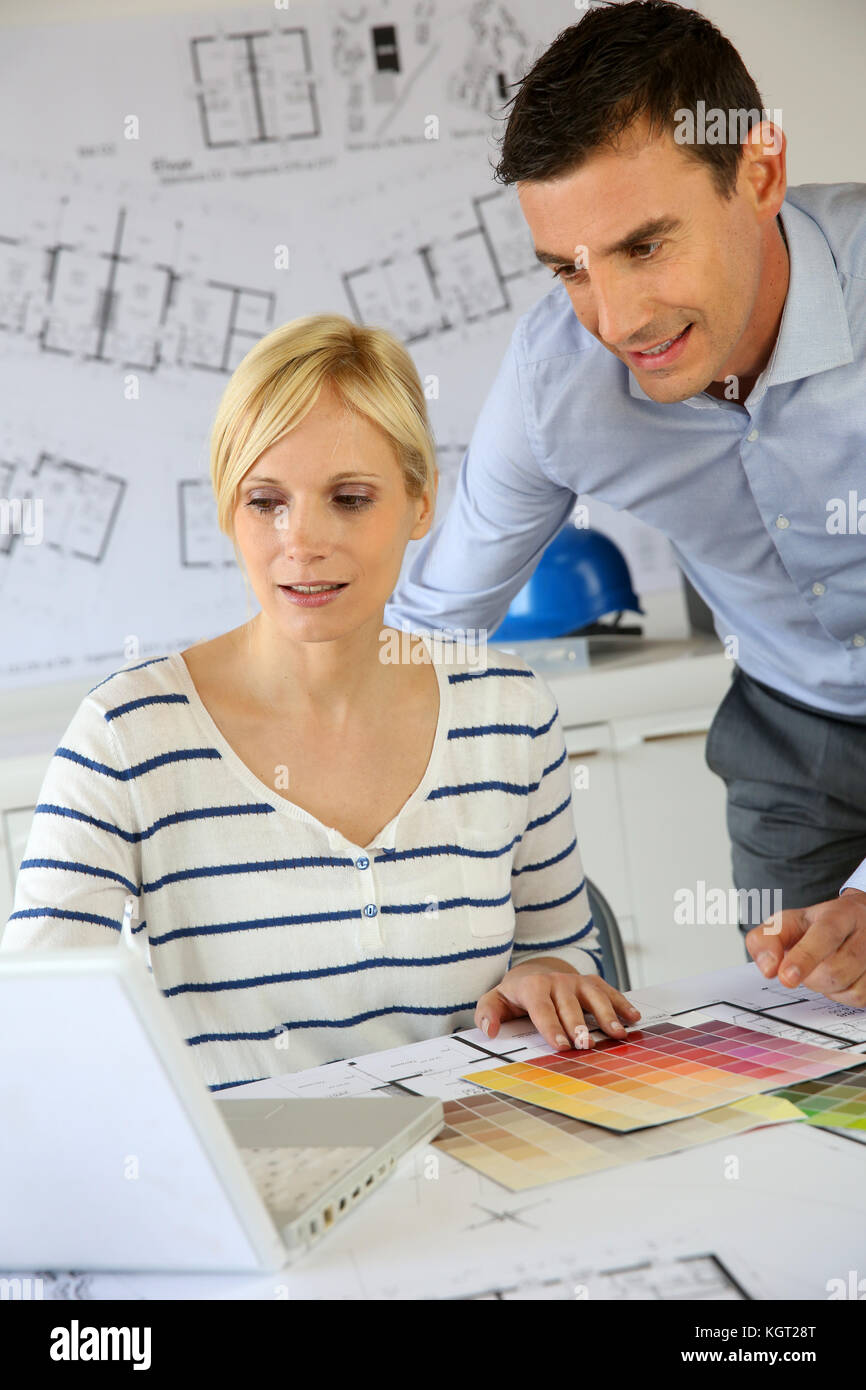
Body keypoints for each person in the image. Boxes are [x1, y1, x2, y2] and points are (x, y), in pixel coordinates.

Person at [2, 313, 640, 1091]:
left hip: (477, 1140)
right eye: (265, 501)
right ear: (227, 510)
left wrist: (546, 976)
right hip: (256, 1160)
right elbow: (39, 1028)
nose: (301, 541)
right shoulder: (126, 735)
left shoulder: (509, 709)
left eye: (350, 498)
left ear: (420, 502)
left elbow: (559, 945)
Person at [385, 1, 866, 1009]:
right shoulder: (558, 380)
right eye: (569, 269)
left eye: (645, 246)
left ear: (759, 175)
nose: (614, 321)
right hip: (790, 736)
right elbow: (429, 632)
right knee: (804, 1045)